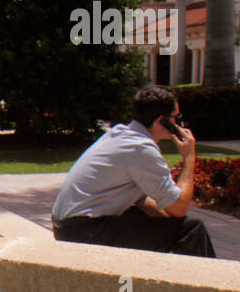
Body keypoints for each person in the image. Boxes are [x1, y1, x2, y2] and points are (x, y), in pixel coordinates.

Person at [51, 85, 216, 257]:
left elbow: (142, 200)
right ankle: (207, 282)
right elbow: (179, 207)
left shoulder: (120, 134)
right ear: (161, 121)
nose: (178, 123)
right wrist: (189, 157)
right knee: (191, 230)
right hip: (85, 232)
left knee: (169, 225)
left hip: (69, 228)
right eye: (176, 118)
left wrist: (171, 220)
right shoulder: (141, 148)